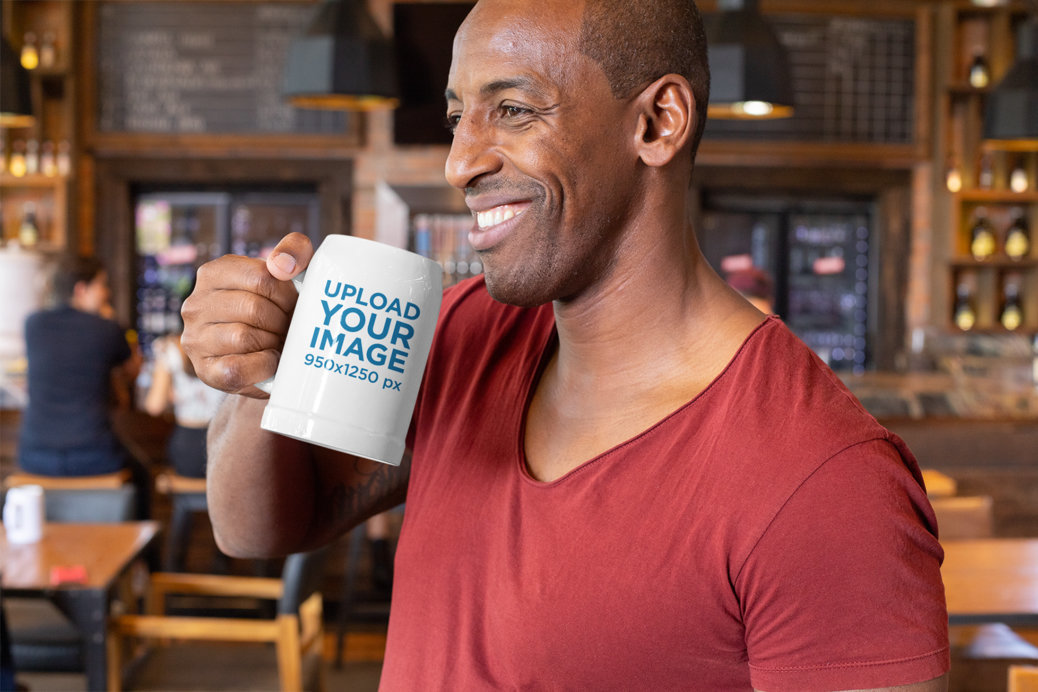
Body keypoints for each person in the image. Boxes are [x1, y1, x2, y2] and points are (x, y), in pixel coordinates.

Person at [180, 0, 949, 688]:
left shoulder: (825, 483)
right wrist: (260, 372)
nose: (460, 163)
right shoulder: (460, 332)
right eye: (458, 118)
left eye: (513, 110)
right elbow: (259, 529)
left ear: (657, 123)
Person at [18, 255, 149, 518]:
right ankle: (142, 544)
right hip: (93, 456)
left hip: (34, 455)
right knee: (143, 473)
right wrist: (118, 325)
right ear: (81, 289)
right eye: (102, 285)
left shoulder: (33, 324)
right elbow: (134, 370)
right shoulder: (107, 328)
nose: (106, 293)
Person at [143, 331, 225, 478]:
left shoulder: (170, 348)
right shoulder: (227, 343)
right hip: (224, 438)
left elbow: (155, 406)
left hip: (188, 443)